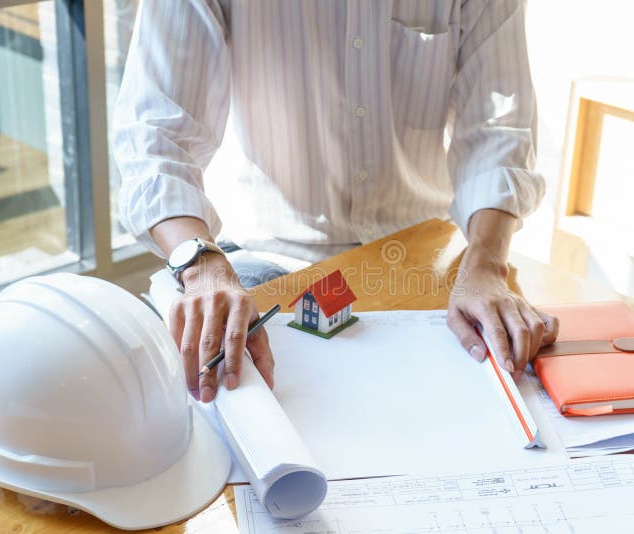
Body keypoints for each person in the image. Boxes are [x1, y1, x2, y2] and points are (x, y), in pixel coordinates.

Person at [113, 0, 559, 403]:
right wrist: (202, 264)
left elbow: (498, 130)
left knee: (496, 389)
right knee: (230, 393)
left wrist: (487, 265)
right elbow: (154, 137)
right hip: (264, 257)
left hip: (426, 253)